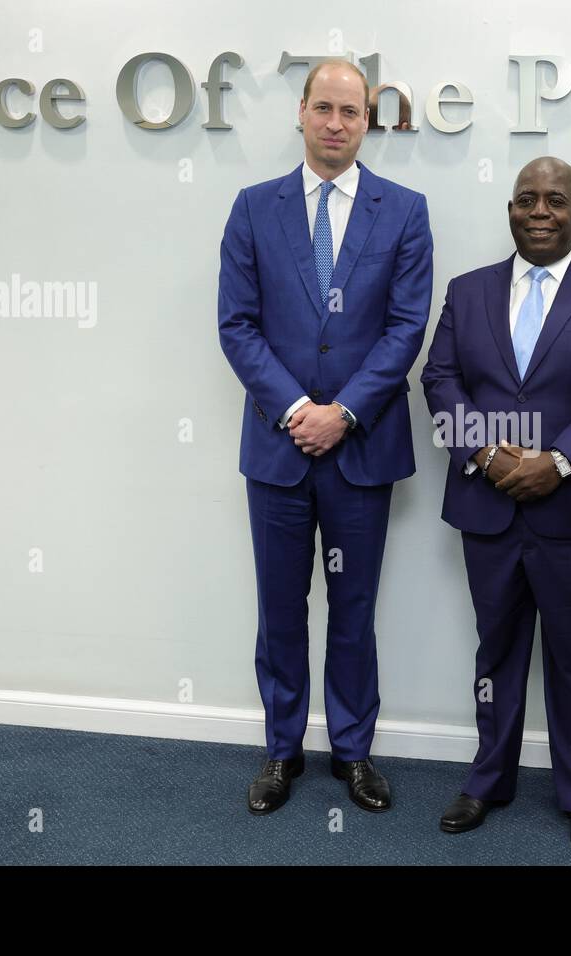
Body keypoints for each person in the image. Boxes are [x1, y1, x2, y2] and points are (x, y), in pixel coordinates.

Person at [420, 157, 571, 854]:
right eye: (527, 199)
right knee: (495, 652)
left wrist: (557, 463)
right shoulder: (467, 293)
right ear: (511, 211)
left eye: (556, 200)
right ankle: (488, 779)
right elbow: (439, 378)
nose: (540, 210)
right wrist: (485, 455)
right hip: (486, 501)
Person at [218, 59, 433, 816]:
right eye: (323, 109)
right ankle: (282, 752)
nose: (336, 123)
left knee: (355, 606)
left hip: (361, 448)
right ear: (300, 114)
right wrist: (294, 411)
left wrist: (341, 413)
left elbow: (407, 328)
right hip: (278, 451)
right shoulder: (253, 208)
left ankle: (353, 751)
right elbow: (236, 327)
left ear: (368, 121)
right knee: (279, 609)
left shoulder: (403, 210)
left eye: (351, 111)